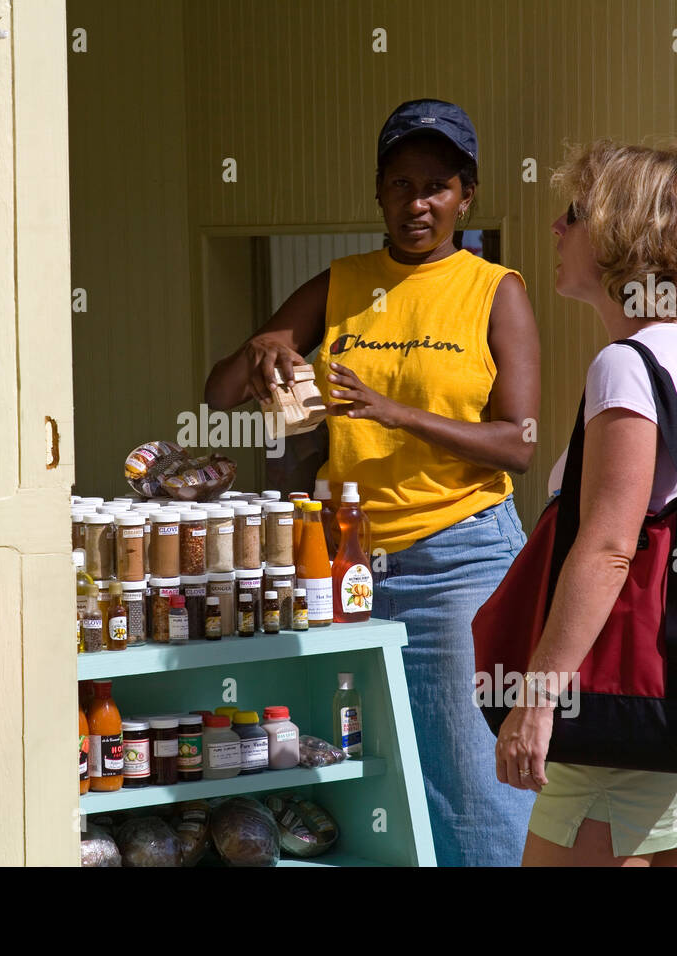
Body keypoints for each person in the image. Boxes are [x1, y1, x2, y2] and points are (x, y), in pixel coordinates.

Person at [205, 99, 542, 866]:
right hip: (343, 565)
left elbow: (516, 445)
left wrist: (395, 412)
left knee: (472, 783)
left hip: (459, 561)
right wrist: (261, 347)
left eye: (435, 186)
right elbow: (219, 396)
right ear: (378, 192)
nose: (416, 203)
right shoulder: (341, 284)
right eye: (399, 185)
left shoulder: (495, 290)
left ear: (467, 193)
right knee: (367, 779)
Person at [494, 139, 677, 866]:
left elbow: (610, 546)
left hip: (619, 707)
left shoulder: (625, 365)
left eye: (572, 215)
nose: (556, 229)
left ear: (621, 235)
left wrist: (536, 699)